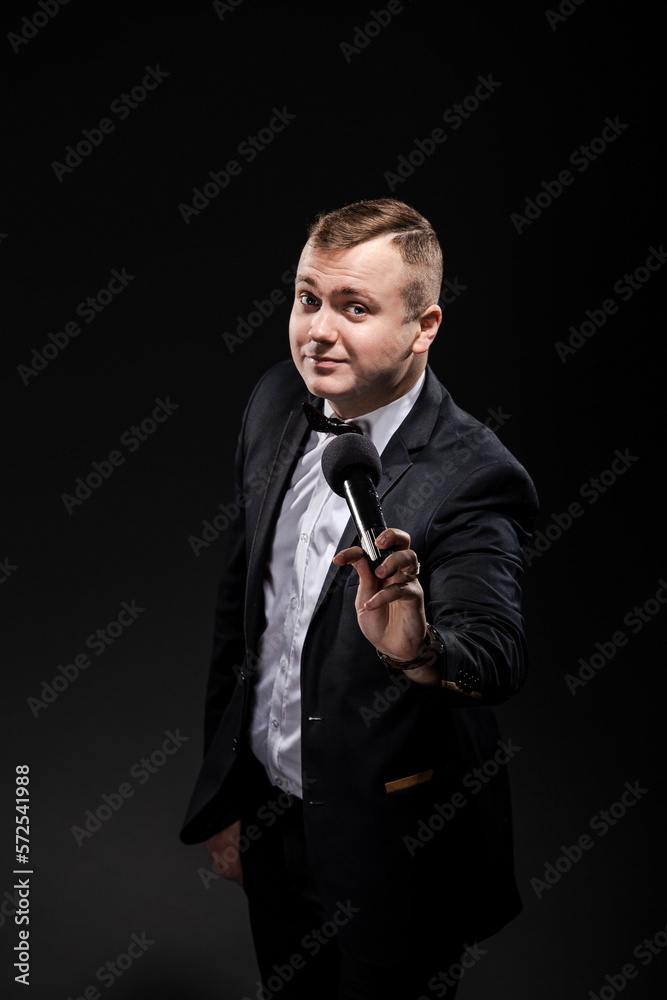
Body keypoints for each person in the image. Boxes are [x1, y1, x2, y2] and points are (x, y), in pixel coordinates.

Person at [180, 198, 538, 999]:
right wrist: (225, 794)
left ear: (425, 327)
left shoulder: (476, 475)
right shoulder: (275, 400)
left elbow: (494, 656)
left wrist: (415, 647)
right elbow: (245, 617)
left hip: (397, 857)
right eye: (307, 298)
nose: (317, 330)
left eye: (354, 307)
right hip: (271, 826)